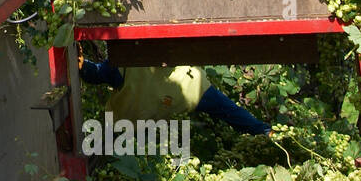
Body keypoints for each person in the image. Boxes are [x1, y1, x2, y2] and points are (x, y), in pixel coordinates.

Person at [79, 58, 270, 135]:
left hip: (150, 146)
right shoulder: (133, 62)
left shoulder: (191, 81)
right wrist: (83, 67)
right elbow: (97, 74)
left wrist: (262, 131)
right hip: (114, 133)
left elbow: (228, 110)